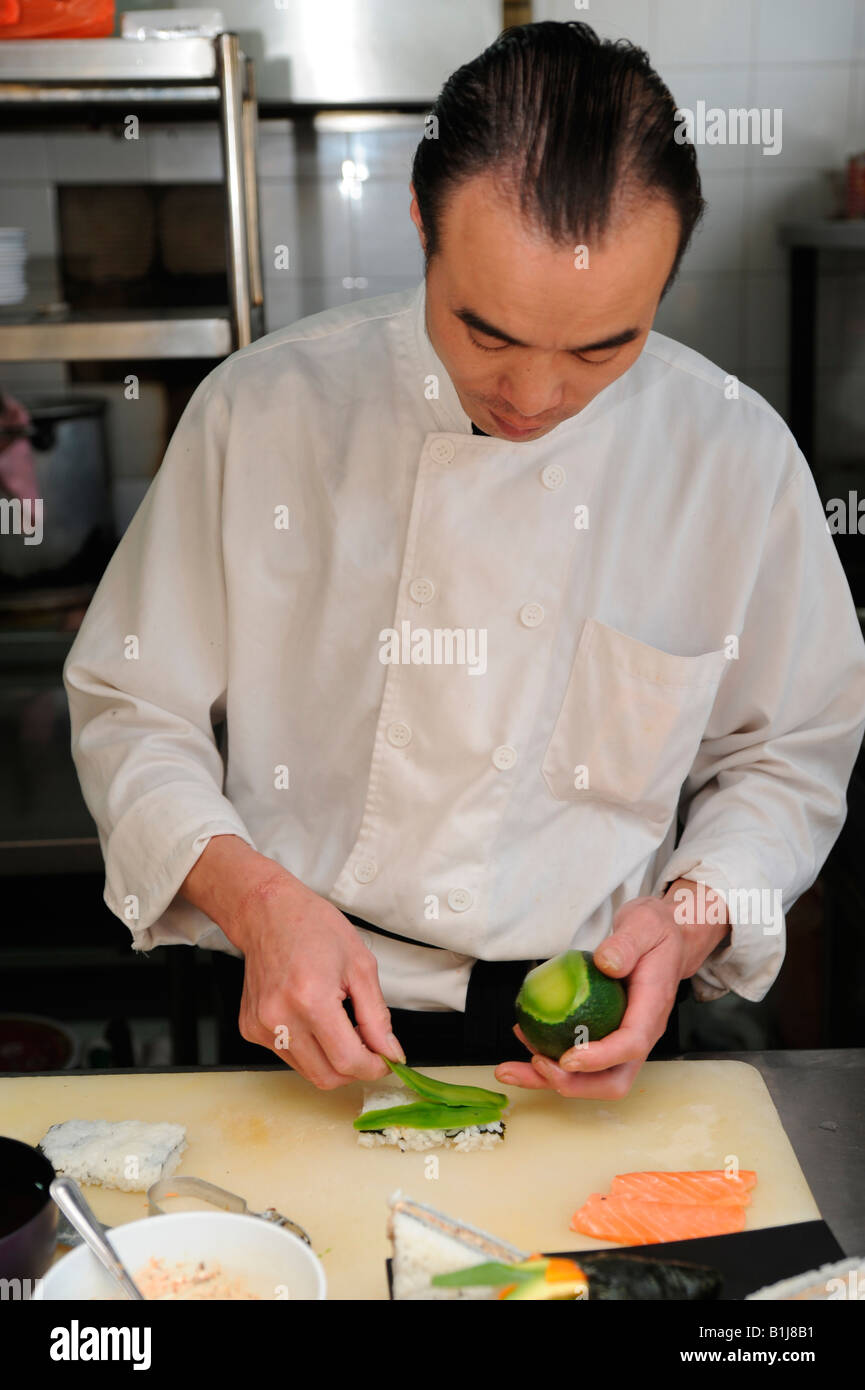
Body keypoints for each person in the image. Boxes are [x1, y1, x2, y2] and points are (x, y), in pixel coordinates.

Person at [64, 22, 865, 1098]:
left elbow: (788, 756)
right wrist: (253, 899)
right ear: (420, 225)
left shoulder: (732, 454)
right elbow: (130, 705)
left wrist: (686, 924)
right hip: (298, 1011)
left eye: (601, 348)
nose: (534, 398)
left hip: (588, 1023)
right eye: (486, 333)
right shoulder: (264, 414)